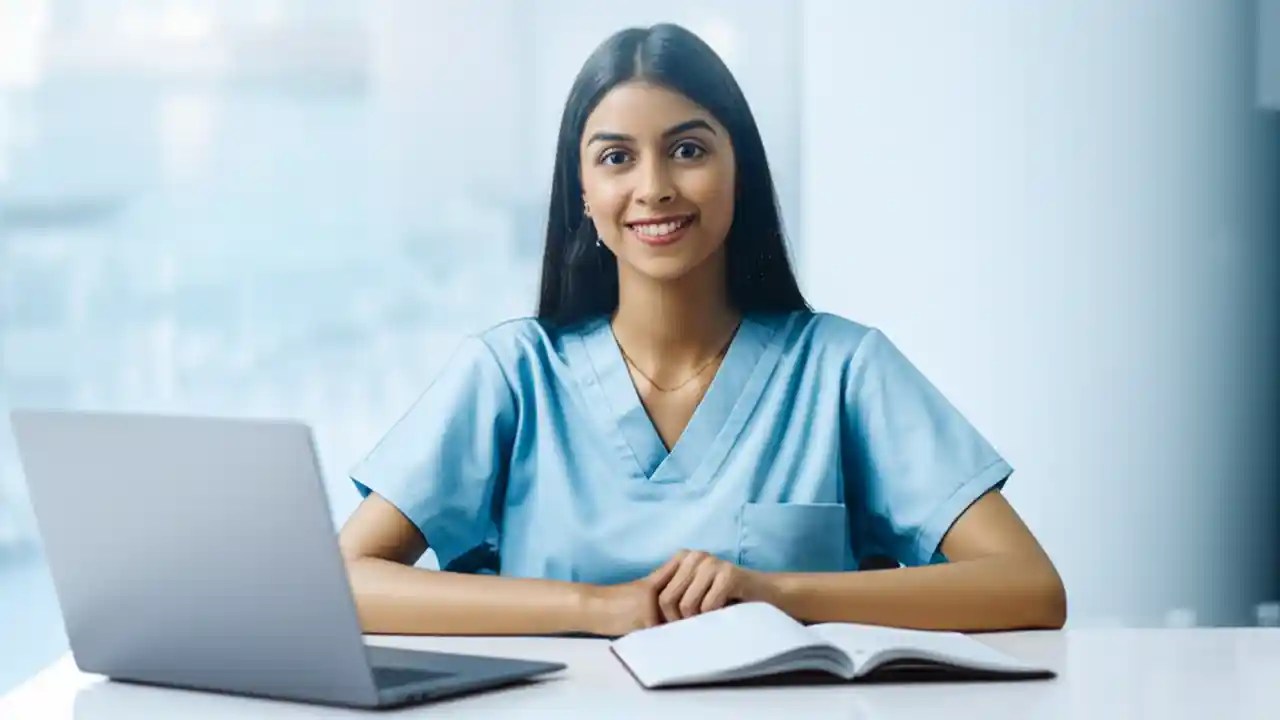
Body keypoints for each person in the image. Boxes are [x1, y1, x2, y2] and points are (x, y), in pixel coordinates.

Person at [337, 23, 1066, 637]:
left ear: (738, 171)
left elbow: (1029, 587)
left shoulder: (845, 370)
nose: (654, 187)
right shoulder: (510, 375)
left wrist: (777, 593)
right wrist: (599, 608)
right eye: (616, 158)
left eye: (688, 150)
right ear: (582, 192)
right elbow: (347, 581)